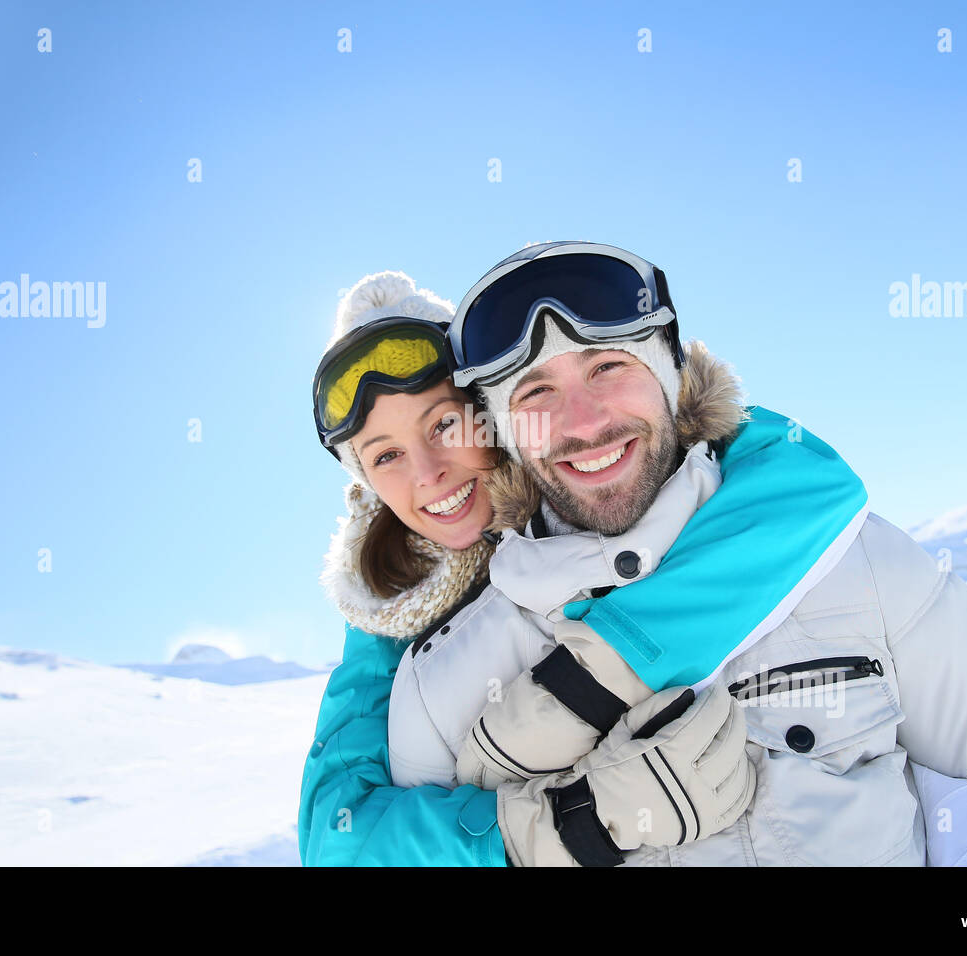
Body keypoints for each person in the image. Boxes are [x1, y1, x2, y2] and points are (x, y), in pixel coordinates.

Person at [385, 241, 967, 866]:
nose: (584, 422)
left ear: (672, 379)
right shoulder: (445, 686)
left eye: (609, 367)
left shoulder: (855, 567)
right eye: (535, 394)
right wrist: (576, 822)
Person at [299, 269, 873, 865]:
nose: (427, 473)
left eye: (446, 424)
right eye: (386, 456)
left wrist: (604, 671)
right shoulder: (388, 616)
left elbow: (801, 478)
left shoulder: (611, 485)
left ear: (496, 410)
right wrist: (568, 825)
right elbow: (337, 842)